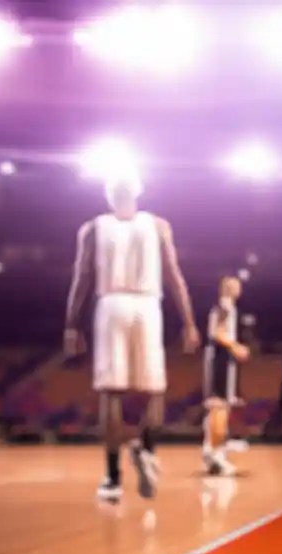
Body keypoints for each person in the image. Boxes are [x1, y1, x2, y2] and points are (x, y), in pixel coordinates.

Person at [65, 173, 200, 502]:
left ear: (108, 196)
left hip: (111, 305)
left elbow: (81, 279)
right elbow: (174, 276)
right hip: (147, 305)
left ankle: (112, 478)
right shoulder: (158, 226)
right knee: (154, 390)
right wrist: (189, 322)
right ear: (139, 192)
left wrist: (71, 325)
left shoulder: (93, 228)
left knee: (111, 394)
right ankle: (147, 449)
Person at [201, 275, 250, 476]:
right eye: (235, 286)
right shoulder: (225, 306)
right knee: (219, 405)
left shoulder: (228, 307)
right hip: (220, 359)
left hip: (223, 360)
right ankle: (215, 453)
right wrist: (235, 346)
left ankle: (212, 451)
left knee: (221, 406)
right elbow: (216, 332)